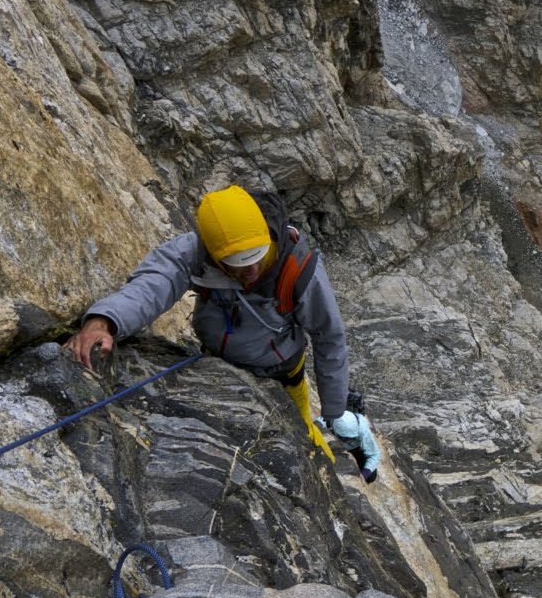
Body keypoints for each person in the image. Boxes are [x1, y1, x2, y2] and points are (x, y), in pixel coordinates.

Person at [64, 184, 381, 482]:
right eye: (238, 265)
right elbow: (152, 284)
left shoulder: (296, 267)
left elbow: (330, 337)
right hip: (217, 366)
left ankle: (348, 438)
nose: (252, 271)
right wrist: (103, 322)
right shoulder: (197, 253)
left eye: (256, 257)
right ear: (214, 254)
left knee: (308, 441)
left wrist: (334, 407)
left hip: (282, 375)